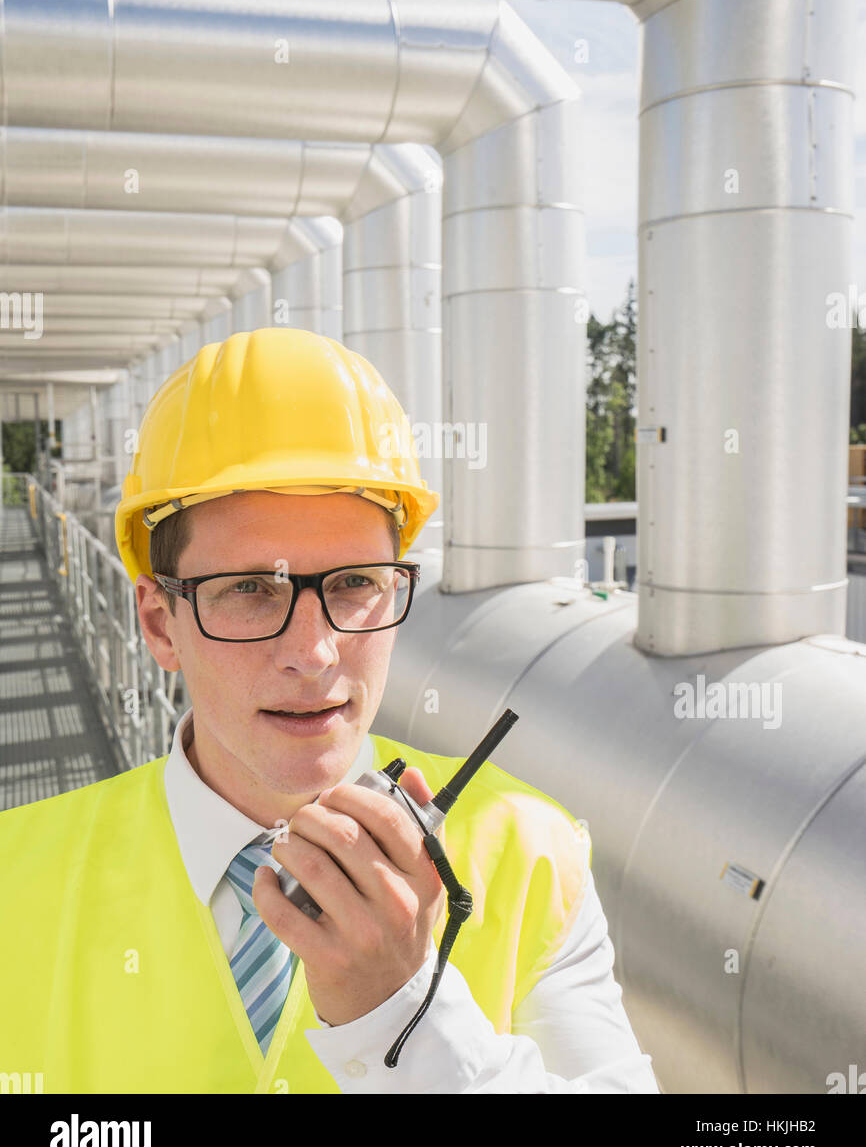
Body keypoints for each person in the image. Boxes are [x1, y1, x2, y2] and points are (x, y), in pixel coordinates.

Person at [0, 326, 659, 1094]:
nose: (314, 653)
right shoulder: (16, 880)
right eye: (250, 589)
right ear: (157, 623)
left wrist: (406, 1018)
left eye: (353, 584)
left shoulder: (531, 859)